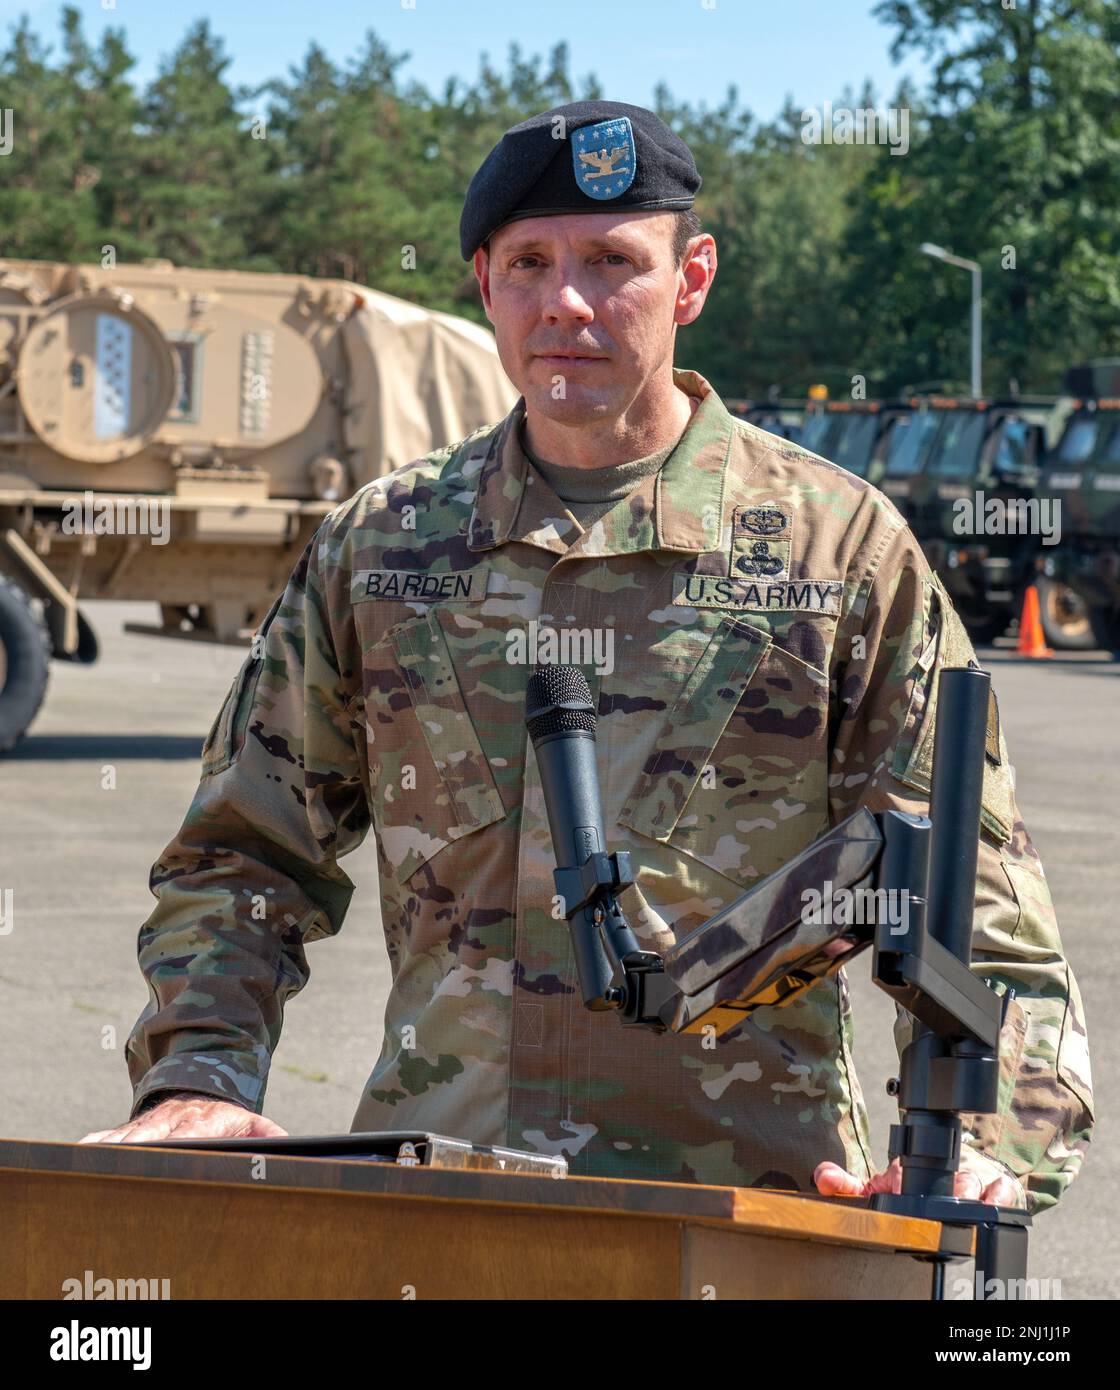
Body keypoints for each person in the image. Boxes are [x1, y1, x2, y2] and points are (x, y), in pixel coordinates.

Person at [81, 101, 1093, 1217]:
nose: (565, 300)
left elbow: (975, 896)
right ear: (483, 285)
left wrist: (985, 1142)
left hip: (762, 1225)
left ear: (691, 279)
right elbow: (243, 856)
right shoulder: (385, 548)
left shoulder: (836, 550)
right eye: (528, 261)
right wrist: (198, 1074)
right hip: (442, 1217)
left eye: (613, 260)